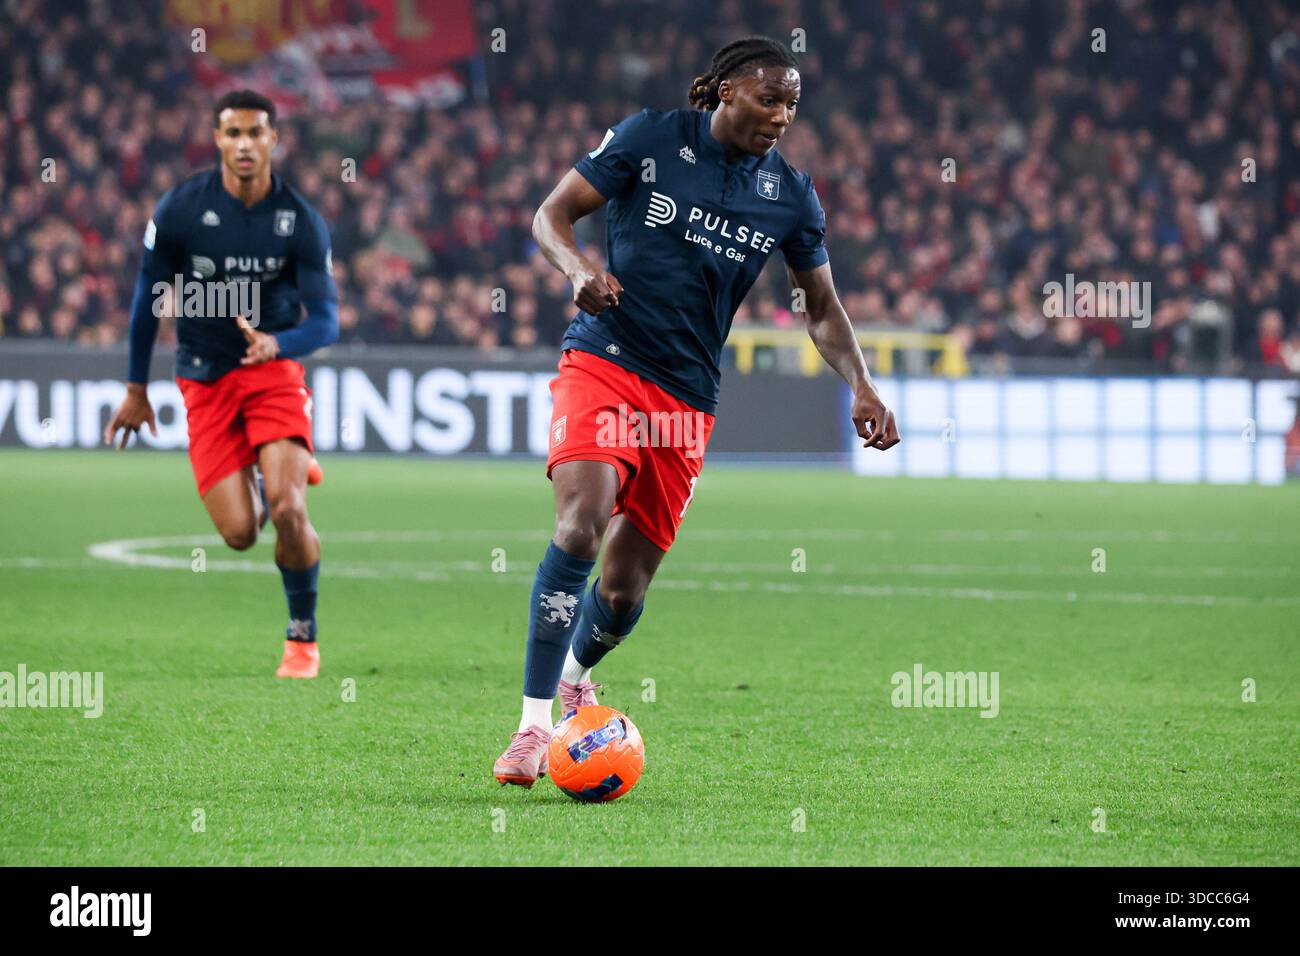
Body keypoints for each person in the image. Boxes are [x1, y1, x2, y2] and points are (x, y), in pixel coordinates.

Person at [494, 37, 900, 786]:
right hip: (605, 361)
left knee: (622, 591)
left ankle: (579, 671)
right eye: (768, 98)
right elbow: (551, 217)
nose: (780, 116)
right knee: (581, 522)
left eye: (791, 105)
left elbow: (820, 307)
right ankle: (531, 727)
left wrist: (863, 385)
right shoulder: (651, 138)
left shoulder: (790, 195)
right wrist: (578, 267)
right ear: (723, 91)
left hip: (687, 398)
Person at [104, 90, 339, 679]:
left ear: (273, 139)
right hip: (203, 378)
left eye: (255, 133)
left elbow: (326, 319)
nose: (244, 144)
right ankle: (273, 464)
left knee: (288, 509)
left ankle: (301, 639)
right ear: (216, 139)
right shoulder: (181, 210)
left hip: (271, 373)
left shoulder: (300, 220)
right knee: (238, 534)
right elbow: (145, 300)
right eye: (232, 133)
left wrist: (277, 345)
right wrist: (136, 388)